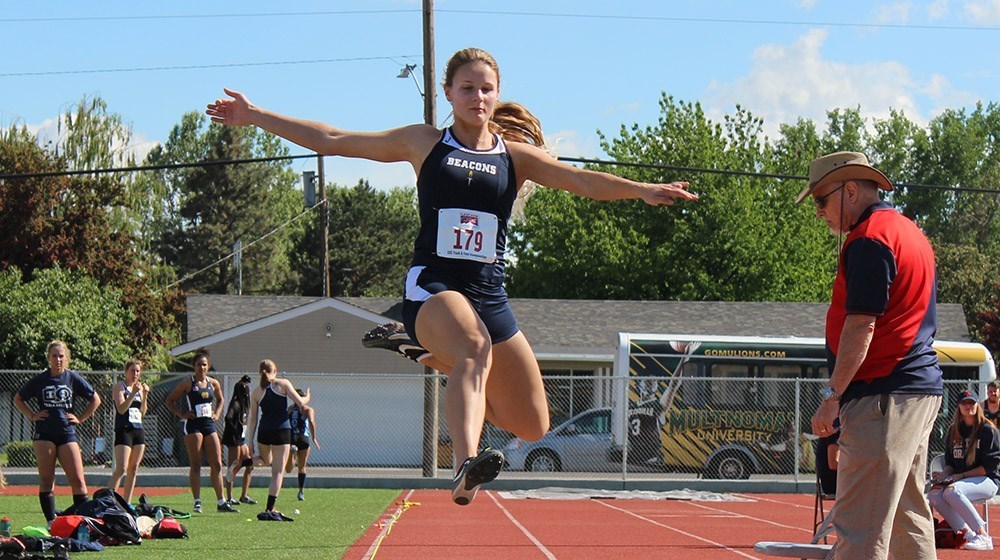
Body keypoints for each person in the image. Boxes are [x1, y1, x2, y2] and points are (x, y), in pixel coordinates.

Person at [207, 47, 697, 505]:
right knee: (474, 347)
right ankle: (465, 464)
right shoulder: (424, 142)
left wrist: (641, 189)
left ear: (497, 94)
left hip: (489, 295)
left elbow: (581, 181)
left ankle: (419, 351)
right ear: (448, 93)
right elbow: (333, 139)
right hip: (434, 286)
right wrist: (256, 115)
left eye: (486, 88)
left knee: (532, 424)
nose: (477, 97)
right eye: (466, 88)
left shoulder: (515, 158)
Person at [803, 151, 944, 560]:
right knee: (907, 519)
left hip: (884, 395)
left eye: (821, 200)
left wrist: (832, 396)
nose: (819, 211)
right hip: (914, 389)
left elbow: (861, 326)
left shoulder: (869, 238)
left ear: (850, 191)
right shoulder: (909, 231)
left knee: (859, 528)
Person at [13, 340, 102, 522]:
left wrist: (80, 418)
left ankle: (81, 522)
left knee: (78, 481)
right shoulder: (41, 379)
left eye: (61, 356)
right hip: (44, 434)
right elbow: (18, 399)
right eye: (54, 356)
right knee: (47, 480)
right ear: (48, 358)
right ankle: (51, 522)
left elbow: (95, 399)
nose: (58, 359)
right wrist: (32, 415)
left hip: (67, 433)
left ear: (66, 358)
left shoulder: (72, 378)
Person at [227, 360, 310, 514]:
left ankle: (242, 462)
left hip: (264, 432)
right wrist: (308, 397)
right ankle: (270, 508)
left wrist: (250, 441)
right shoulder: (283, 384)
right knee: (278, 472)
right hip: (282, 431)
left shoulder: (256, 392)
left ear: (260, 372)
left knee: (266, 460)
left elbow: (253, 419)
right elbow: (300, 403)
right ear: (275, 371)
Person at [165, 347, 238, 513]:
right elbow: (170, 400)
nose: (202, 368)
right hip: (193, 425)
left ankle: (221, 502)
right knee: (196, 463)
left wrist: (217, 413)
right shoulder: (187, 383)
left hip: (208, 424)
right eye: (199, 365)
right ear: (194, 366)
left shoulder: (213, 383)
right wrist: (182, 414)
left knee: (217, 464)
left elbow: (220, 399)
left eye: (204, 365)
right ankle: (197, 501)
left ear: (208, 366)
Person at [928, 389, 1000, 551]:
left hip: (987, 480)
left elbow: (989, 467)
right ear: (959, 407)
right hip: (961, 481)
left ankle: (983, 536)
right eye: (964, 403)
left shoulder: (987, 429)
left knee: (952, 491)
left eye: (972, 402)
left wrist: (960, 476)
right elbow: (949, 463)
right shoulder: (954, 430)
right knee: (934, 494)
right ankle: (968, 534)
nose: (968, 406)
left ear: (977, 405)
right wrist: (944, 475)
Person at [107, 358, 149, 505]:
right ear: (126, 372)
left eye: (138, 371)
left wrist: (145, 395)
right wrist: (132, 394)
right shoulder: (120, 387)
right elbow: (121, 408)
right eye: (132, 371)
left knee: (134, 468)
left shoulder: (140, 388)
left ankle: (126, 503)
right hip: (124, 429)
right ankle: (107, 500)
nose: (135, 374)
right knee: (121, 468)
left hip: (138, 429)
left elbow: (143, 411)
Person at [221, 374, 256, 506]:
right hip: (234, 440)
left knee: (250, 465)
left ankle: (244, 495)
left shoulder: (245, 406)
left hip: (241, 440)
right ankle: (229, 497)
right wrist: (234, 432)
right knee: (232, 467)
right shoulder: (235, 404)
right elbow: (228, 418)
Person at [284, 388, 319, 501]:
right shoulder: (307, 409)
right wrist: (314, 437)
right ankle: (301, 492)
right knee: (302, 467)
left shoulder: (289, 409)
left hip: (292, 438)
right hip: (303, 438)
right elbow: (311, 422)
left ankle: (291, 454)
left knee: (288, 469)